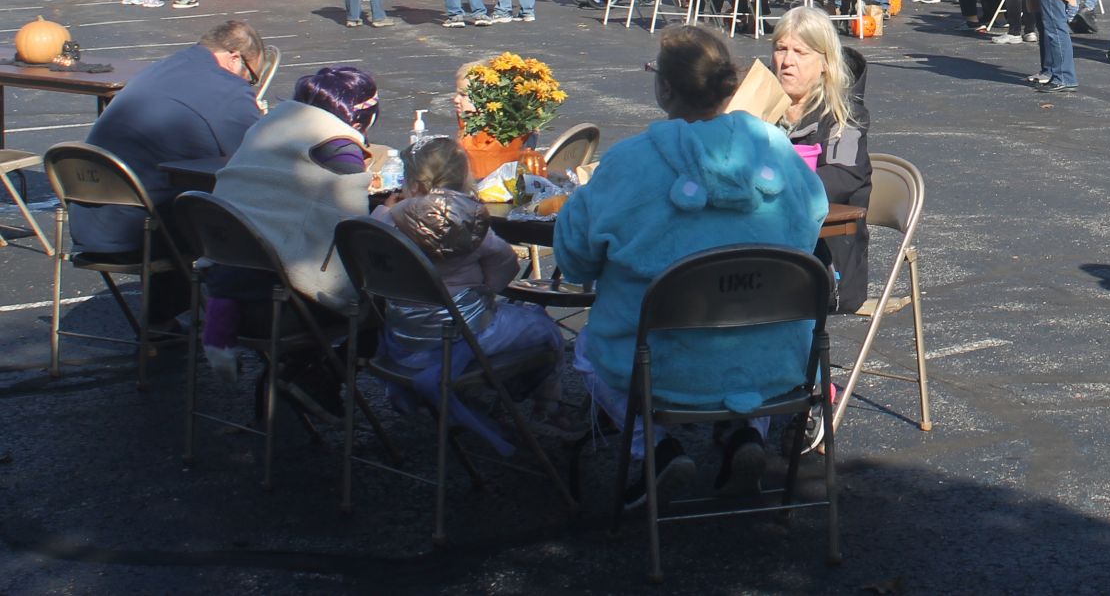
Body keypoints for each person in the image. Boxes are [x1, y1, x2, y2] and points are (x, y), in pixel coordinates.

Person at [553, 26, 827, 504]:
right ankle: (748, 434)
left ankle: (656, 448)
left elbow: (574, 262)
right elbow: (808, 227)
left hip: (660, 365)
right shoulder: (776, 149)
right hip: (771, 361)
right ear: (729, 84)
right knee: (749, 302)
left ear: (663, 87)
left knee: (587, 351)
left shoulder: (627, 164)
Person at [371, 135, 570, 438]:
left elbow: (370, 245)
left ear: (411, 179)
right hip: (464, 333)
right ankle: (547, 406)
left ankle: (466, 400)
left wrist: (383, 210)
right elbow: (506, 264)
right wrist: (486, 290)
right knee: (543, 327)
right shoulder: (468, 221)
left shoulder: (389, 221)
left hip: (406, 335)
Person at [71, 21, 267, 288]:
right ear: (234, 58)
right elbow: (253, 156)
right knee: (248, 208)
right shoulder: (225, 86)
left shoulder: (161, 67)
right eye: (251, 77)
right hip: (141, 231)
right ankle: (245, 314)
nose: (249, 84)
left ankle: (162, 319)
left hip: (89, 223)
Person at [211, 66, 378, 315]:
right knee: (383, 282)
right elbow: (354, 226)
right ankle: (359, 350)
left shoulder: (267, 125)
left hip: (225, 274)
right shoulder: (337, 144)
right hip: (281, 294)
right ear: (362, 118)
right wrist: (388, 210)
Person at [771, 8, 872, 313]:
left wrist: (767, 191)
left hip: (826, 259)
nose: (787, 62)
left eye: (800, 52)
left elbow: (842, 177)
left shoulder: (846, 118)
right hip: (766, 244)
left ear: (826, 62)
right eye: (780, 49)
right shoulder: (759, 107)